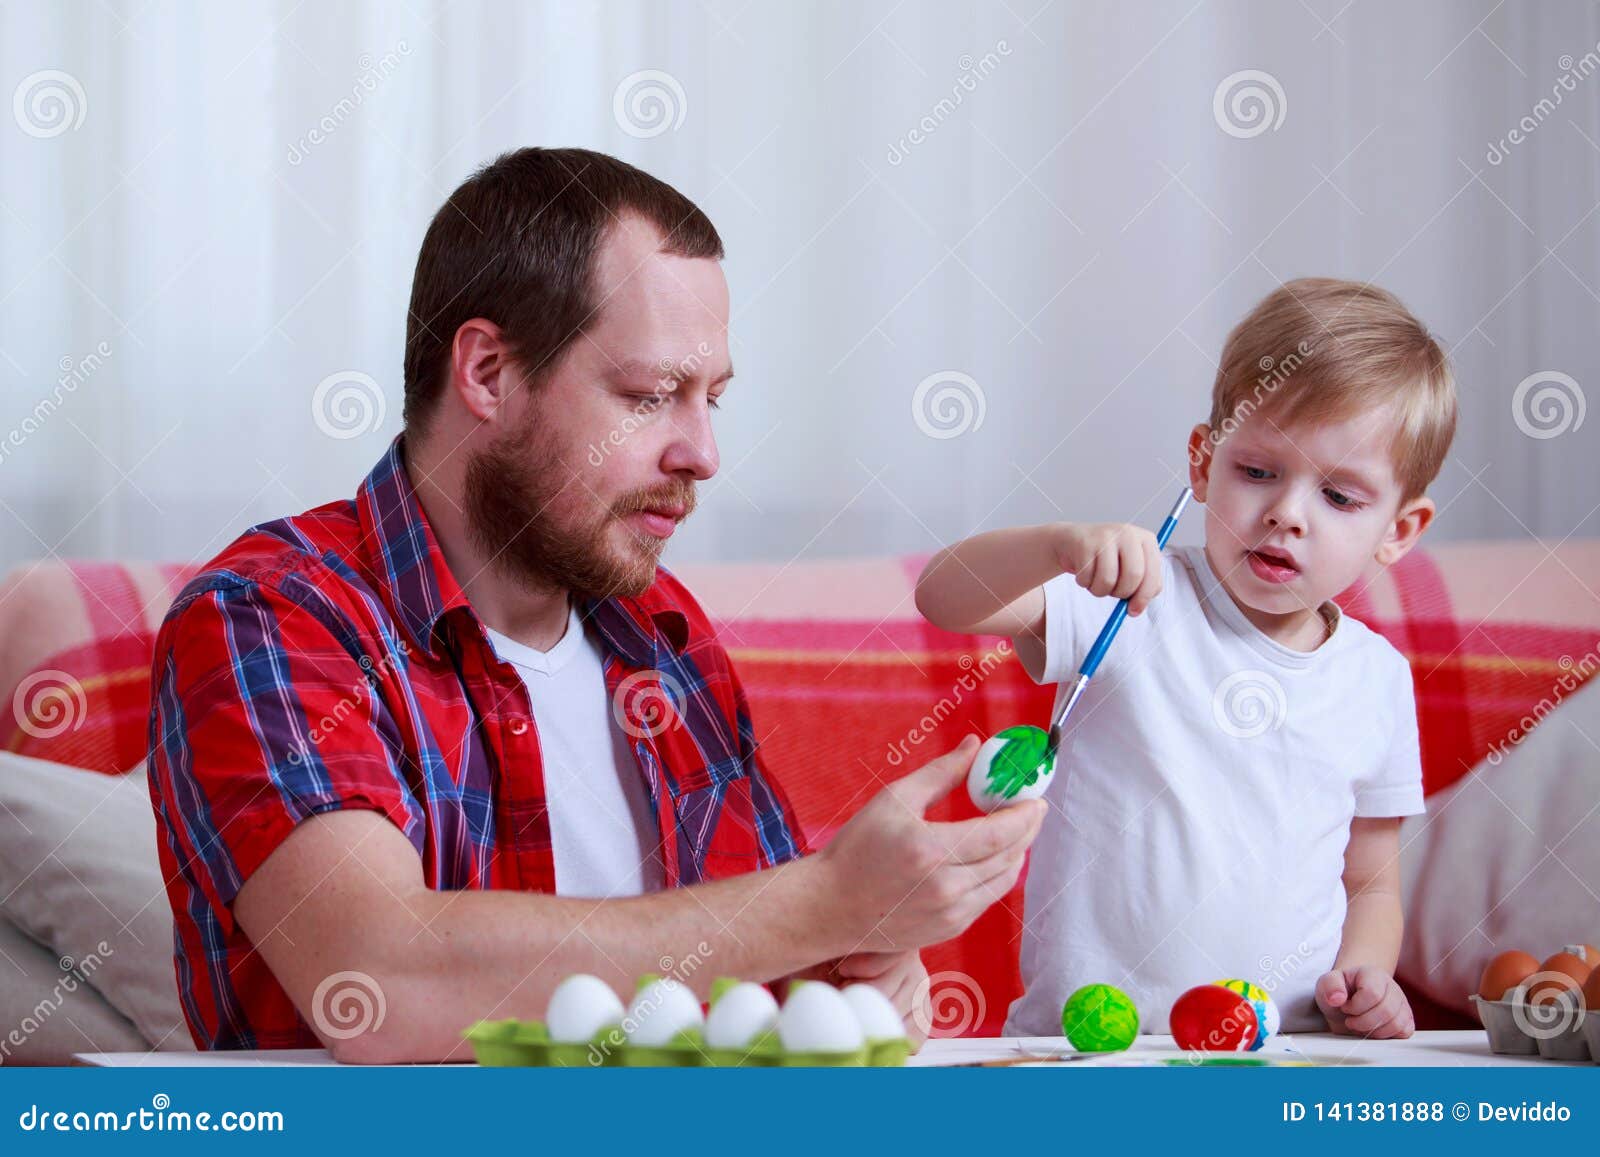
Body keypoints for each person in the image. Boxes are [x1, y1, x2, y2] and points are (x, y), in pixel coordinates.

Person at [146, 147, 1045, 1061]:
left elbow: (750, 953)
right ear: (489, 373)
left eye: (713, 401)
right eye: (652, 396)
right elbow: (378, 985)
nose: (701, 453)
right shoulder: (269, 614)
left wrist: (852, 970)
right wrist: (822, 902)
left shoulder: (662, 633)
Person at [915, 278, 1457, 1039]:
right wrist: (1056, 547)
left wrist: (1367, 971)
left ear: (1400, 528)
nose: (1285, 514)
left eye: (1338, 496)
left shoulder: (1377, 679)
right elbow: (945, 597)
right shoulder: (1136, 599)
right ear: (1203, 464)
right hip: (1083, 1049)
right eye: (1259, 471)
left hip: (1287, 1049)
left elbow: (1371, 881)